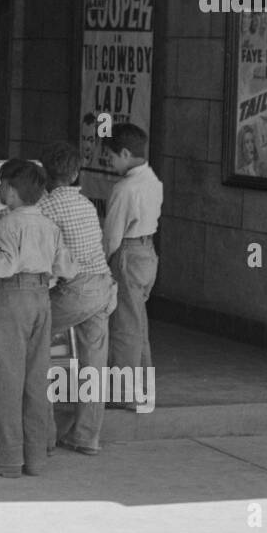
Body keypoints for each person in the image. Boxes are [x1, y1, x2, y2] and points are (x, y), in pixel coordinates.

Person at [0, 162, 75, 478]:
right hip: (41, 299)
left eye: (2, 185)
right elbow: (66, 267)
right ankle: (35, 458)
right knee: (36, 381)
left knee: (2, 380)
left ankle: (4, 459)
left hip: (13, 298)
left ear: (11, 190)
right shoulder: (49, 225)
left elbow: (2, 266)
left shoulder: (9, 225)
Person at [38, 141, 118, 455]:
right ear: (75, 174)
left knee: (33, 341)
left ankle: (43, 433)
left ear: (46, 173)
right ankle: (87, 437)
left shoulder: (46, 206)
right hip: (103, 286)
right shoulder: (86, 205)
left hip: (76, 289)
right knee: (94, 366)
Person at [102, 123, 162, 404]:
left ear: (125, 153)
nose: (110, 163)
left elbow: (112, 235)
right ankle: (142, 388)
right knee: (138, 322)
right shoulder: (153, 180)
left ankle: (124, 392)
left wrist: (102, 265)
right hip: (148, 251)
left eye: (111, 157)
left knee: (124, 324)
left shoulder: (124, 189)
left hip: (127, 252)